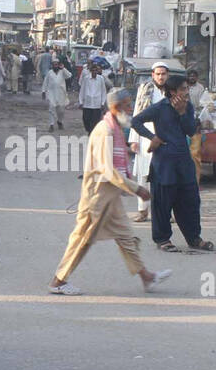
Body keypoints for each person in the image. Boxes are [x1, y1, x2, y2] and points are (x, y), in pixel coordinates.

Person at [47, 89, 172, 296]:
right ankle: (58, 281)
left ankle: (146, 277)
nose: (131, 109)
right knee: (82, 240)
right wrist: (136, 188)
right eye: (127, 104)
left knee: (126, 237)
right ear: (115, 107)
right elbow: (106, 169)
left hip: (111, 197)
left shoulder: (114, 128)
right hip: (96, 196)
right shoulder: (104, 130)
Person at [131, 74, 212, 252]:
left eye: (187, 88)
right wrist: (153, 137)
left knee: (190, 202)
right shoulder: (159, 108)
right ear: (172, 92)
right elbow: (135, 121)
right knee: (162, 203)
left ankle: (194, 238)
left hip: (184, 162)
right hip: (164, 164)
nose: (187, 91)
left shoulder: (188, 107)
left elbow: (191, 131)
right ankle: (163, 239)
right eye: (183, 89)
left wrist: (183, 113)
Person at [130, 62, 169, 223]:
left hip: (166, 139)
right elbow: (136, 114)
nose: (160, 77)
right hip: (145, 137)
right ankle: (142, 210)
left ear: (167, 75)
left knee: (166, 178)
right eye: (158, 74)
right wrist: (133, 139)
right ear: (153, 75)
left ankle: (166, 212)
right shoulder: (145, 89)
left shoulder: (172, 91)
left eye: (163, 74)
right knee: (144, 177)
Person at [78, 58, 112, 134]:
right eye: (92, 71)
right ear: (90, 71)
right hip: (87, 103)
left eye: (95, 70)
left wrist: (103, 103)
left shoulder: (101, 79)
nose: (94, 72)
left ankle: (91, 132)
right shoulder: (86, 79)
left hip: (97, 104)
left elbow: (103, 91)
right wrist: (80, 102)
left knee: (95, 120)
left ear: (97, 71)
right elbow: (82, 90)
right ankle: (88, 130)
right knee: (86, 119)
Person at [42, 59, 71, 131]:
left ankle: (59, 121)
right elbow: (45, 82)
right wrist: (43, 91)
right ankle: (51, 125)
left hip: (61, 94)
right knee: (51, 109)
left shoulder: (62, 72)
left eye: (56, 64)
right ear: (52, 65)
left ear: (58, 65)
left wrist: (63, 68)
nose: (55, 65)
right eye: (54, 64)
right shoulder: (50, 73)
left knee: (61, 111)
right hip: (51, 93)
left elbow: (69, 75)